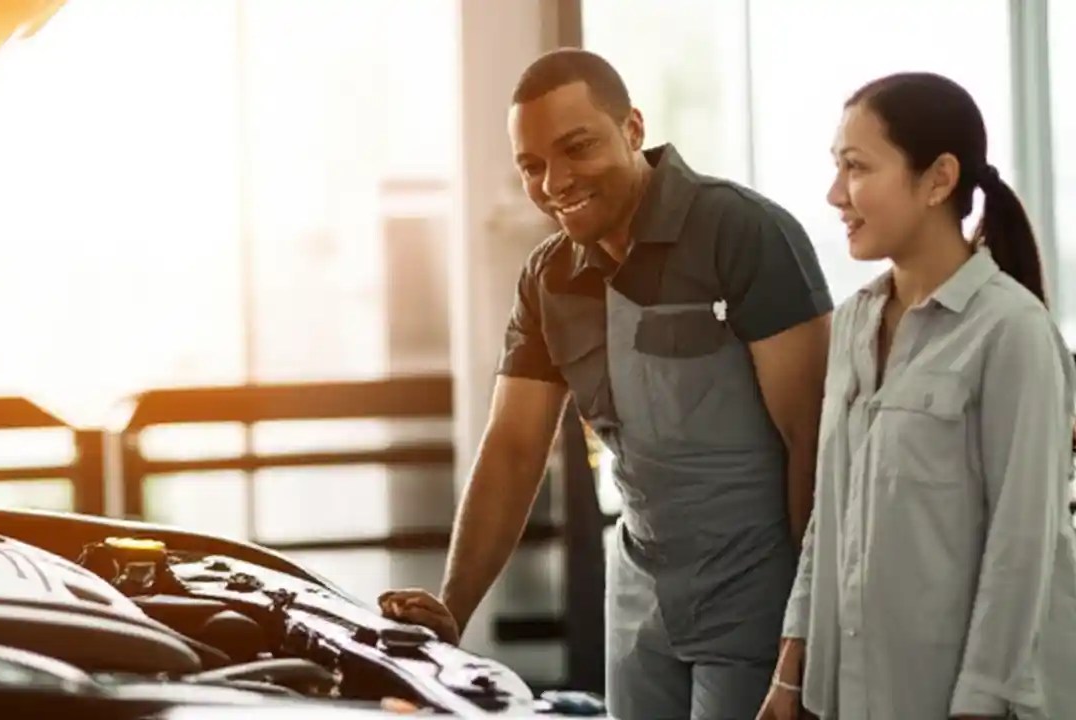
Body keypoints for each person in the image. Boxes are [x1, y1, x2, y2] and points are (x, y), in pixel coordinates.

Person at [378, 48, 833, 719]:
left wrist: (804, 636)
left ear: (633, 129)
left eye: (576, 148)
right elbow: (511, 450)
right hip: (638, 604)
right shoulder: (547, 280)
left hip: (755, 598)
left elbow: (815, 443)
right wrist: (453, 608)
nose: (554, 182)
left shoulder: (744, 232)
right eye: (531, 166)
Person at [759, 71, 1076, 720]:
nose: (834, 194)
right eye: (835, 166)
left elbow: (1024, 544)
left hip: (962, 701)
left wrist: (977, 706)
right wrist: (791, 676)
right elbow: (831, 516)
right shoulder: (852, 321)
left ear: (937, 180)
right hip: (851, 693)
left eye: (856, 167)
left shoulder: (1011, 331)